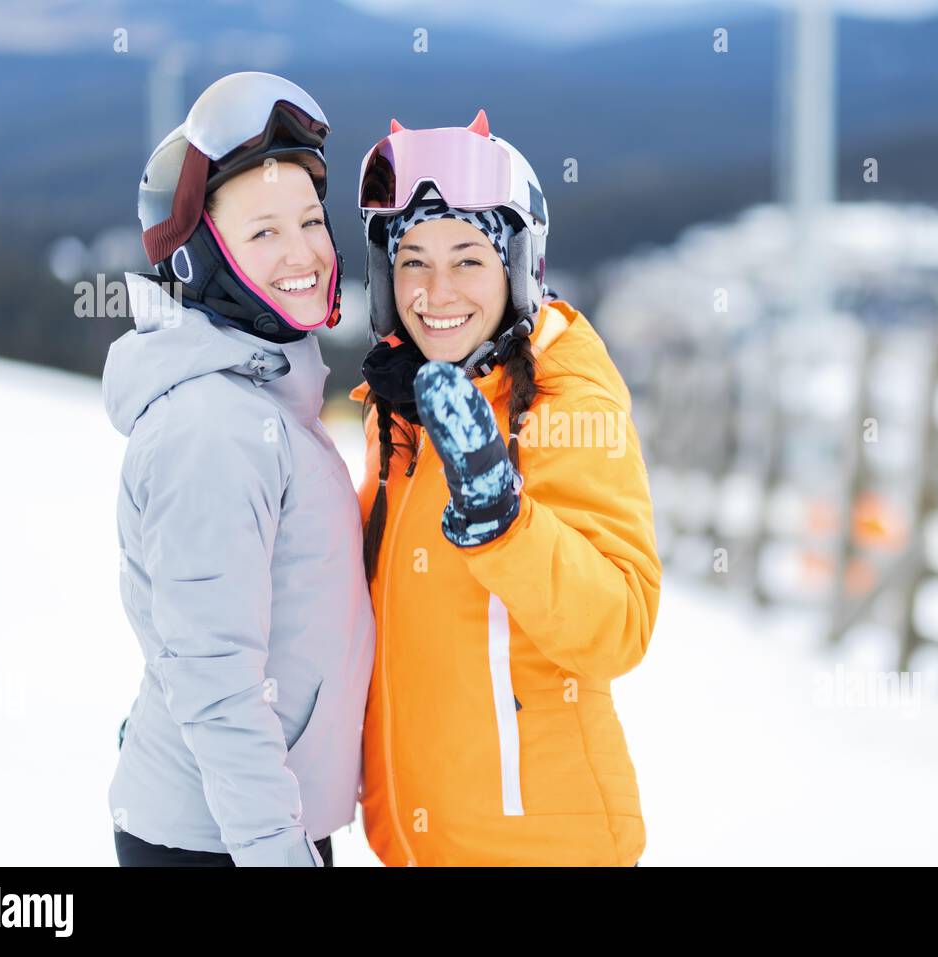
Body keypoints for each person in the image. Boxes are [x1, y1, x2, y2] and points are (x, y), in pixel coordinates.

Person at [350, 110, 661, 866]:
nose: (436, 290)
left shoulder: (565, 403)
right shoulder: (406, 408)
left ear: (518, 269)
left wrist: (504, 521)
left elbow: (620, 624)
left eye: (467, 259)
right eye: (413, 260)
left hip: (544, 848)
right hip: (422, 843)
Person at [103, 72, 374, 867]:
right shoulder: (214, 430)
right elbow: (221, 684)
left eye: (311, 220)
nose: (304, 252)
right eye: (262, 234)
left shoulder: (261, 398)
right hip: (225, 842)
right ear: (200, 262)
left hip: (253, 824)